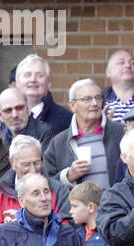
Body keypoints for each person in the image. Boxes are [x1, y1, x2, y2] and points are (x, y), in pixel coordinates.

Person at [43, 78, 126, 214]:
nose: (94, 103)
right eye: (87, 99)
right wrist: (69, 176)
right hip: (77, 220)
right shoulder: (59, 142)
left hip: (116, 214)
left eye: (98, 98)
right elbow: (46, 182)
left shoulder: (120, 134)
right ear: (72, 105)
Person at [0, 135, 57, 238]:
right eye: (26, 165)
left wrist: (32, 224)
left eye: (37, 163)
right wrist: (7, 227)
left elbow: (67, 227)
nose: (33, 170)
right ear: (12, 163)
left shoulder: (57, 189)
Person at [13, 54, 71, 136]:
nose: (33, 79)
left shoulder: (66, 119)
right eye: (27, 75)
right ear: (17, 83)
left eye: (40, 75)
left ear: (49, 83)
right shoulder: (5, 116)